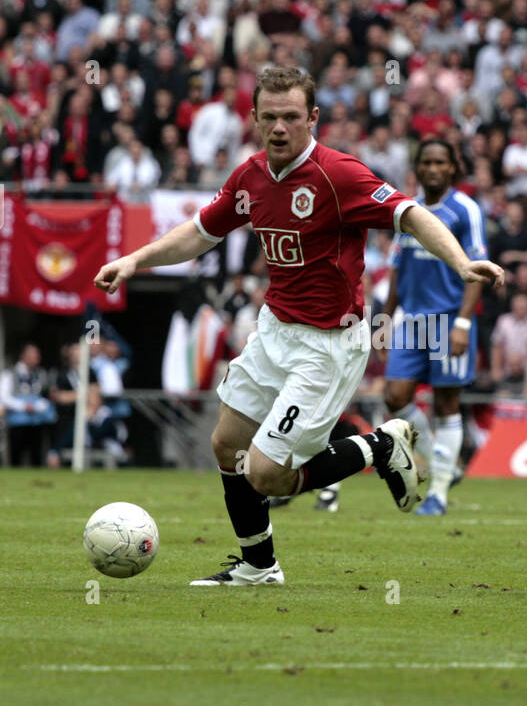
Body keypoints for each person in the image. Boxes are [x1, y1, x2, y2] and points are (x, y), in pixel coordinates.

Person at [94, 66, 503, 586]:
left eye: (291, 117)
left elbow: (411, 214)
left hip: (328, 345)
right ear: (255, 119)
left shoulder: (340, 175)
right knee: (226, 445)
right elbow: (199, 234)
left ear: (312, 117)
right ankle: (258, 566)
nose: (280, 128)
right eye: (270, 117)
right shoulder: (251, 176)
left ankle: (377, 447)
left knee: (267, 475)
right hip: (274, 330)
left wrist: (461, 261)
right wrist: (135, 260)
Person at [378, 138, 488, 515]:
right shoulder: (406, 211)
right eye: (427, 162)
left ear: (452, 167)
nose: (433, 169)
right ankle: (447, 466)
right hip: (412, 320)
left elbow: (477, 270)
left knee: (446, 404)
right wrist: (383, 320)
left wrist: (462, 322)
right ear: (418, 167)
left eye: (441, 162)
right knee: (395, 397)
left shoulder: (465, 210)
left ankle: (439, 492)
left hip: (448, 319)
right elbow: (396, 268)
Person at [0, 343, 56, 466]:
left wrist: (38, 406)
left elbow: (47, 395)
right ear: (23, 355)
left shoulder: (41, 374)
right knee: (16, 454)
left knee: (37, 455)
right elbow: (3, 396)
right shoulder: (9, 373)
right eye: (33, 354)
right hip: (17, 421)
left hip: (37, 420)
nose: (36, 357)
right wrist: (23, 406)